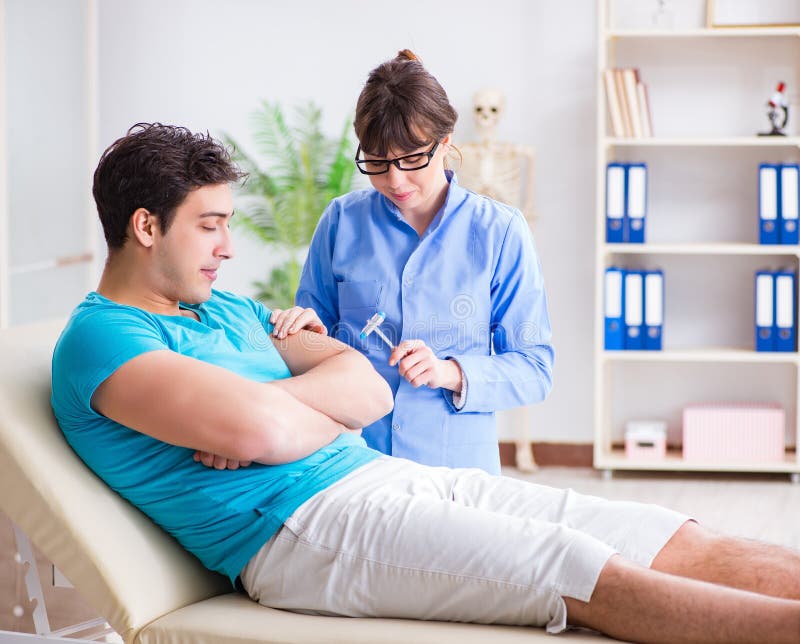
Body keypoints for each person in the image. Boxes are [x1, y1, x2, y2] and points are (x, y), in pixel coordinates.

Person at [52, 123, 800, 643]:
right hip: (299, 534)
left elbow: (368, 390)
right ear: (147, 227)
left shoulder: (226, 310)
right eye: (209, 225)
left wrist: (269, 412)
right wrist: (281, 419)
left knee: (647, 531)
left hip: (380, 475)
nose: (228, 246)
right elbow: (276, 430)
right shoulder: (105, 338)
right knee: (571, 565)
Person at [275, 50, 553, 474]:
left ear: (445, 143)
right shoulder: (340, 222)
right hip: (354, 463)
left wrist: (450, 373)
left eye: (411, 160)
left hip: (456, 472)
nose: (395, 180)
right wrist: (306, 334)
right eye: (377, 163)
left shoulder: (500, 232)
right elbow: (309, 346)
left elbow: (534, 368)